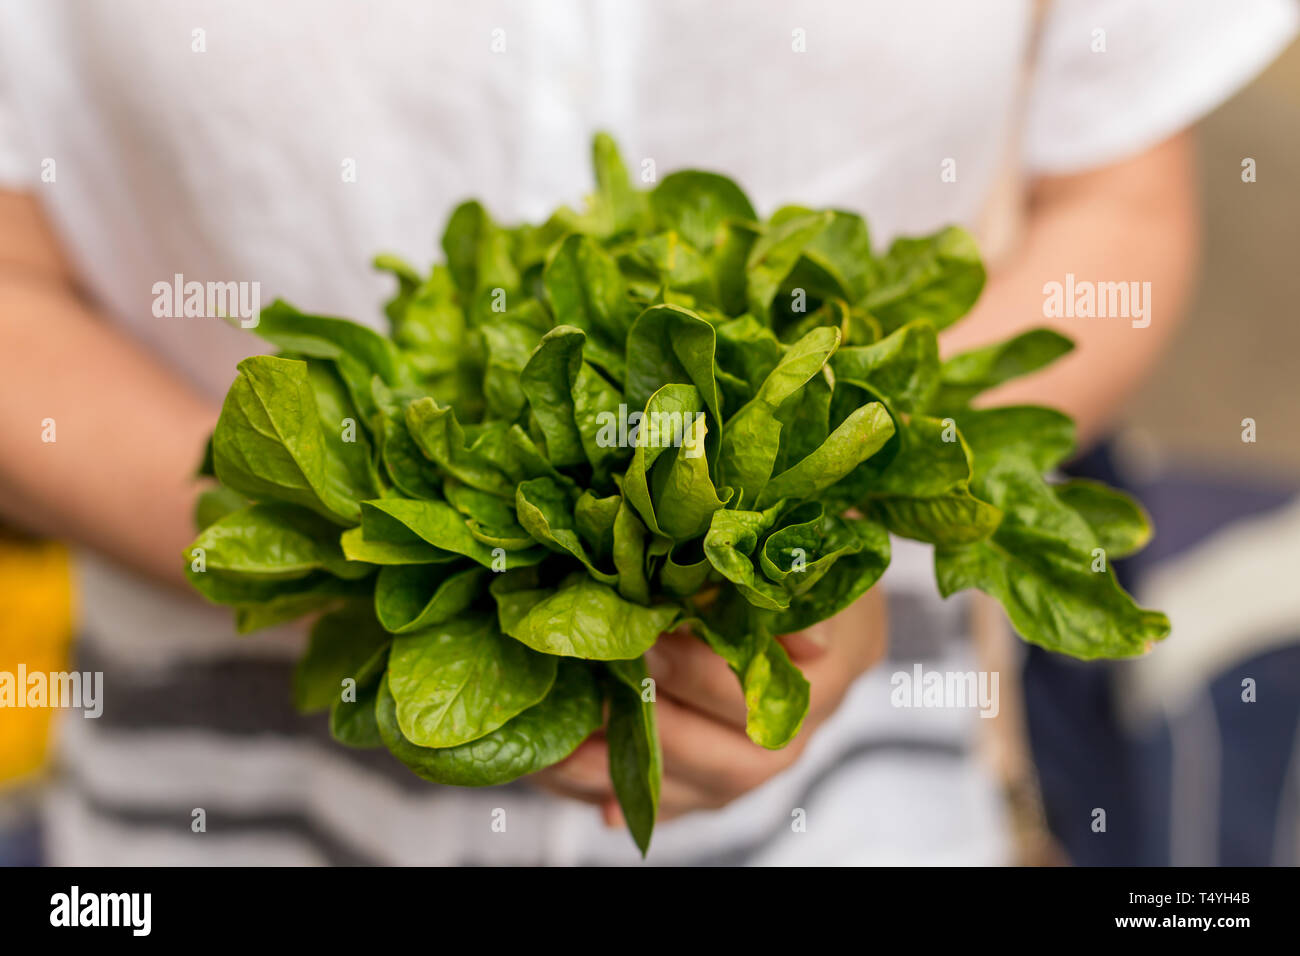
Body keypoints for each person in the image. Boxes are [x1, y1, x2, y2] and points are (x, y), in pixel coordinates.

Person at [0, 0, 1293, 865]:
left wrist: (821, 538)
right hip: (212, 820)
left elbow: (1113, 204)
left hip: (859, 805)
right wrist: (363, 564)